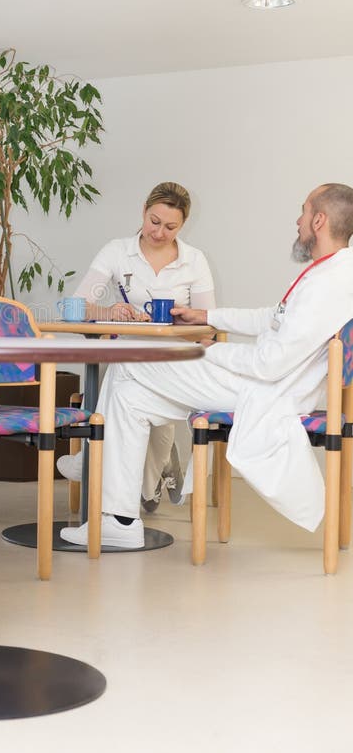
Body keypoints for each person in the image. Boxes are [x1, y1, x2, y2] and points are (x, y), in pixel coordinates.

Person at [60, 183, 353, 549]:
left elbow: (269, 363)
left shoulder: (330, 284)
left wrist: (208, 352)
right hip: (262, 380)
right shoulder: (329, 272)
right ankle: (120, 519)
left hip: (265, 389)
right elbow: (272, 319)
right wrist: (207, 316)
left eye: (304, 211)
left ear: (320, 220)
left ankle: (106, 494)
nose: (298, 220)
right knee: (129, 393)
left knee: (126, 362)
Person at [56, 181, 216, 510]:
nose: (159, 232)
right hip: (128, 351)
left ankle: (98, 468)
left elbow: (207, 326)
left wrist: (186, 320)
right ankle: (143, 484)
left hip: (175, 356)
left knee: (129, 379)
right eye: (154, 222)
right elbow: (75, 306)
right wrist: (108, 311)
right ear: (144, 211)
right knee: (126, 369)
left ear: (183, 224)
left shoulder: (194, 260)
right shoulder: (117, 251)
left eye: (171, 227)